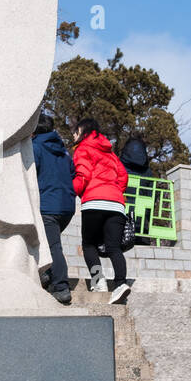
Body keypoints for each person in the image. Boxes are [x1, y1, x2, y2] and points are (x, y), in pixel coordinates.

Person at [72, 117, 131, 305]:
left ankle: (99, 283)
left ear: (82, 130)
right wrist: (113, 192)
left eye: (75, 131)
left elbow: (84, 175)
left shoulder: (82, 149)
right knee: (114, 247)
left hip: (94, 202)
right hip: (116, 204)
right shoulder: (111, 153)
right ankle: (121, 284)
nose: (73, 135)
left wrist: (71, 189)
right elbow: (123, 176)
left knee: (89, 245)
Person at [32, 112, 76, 306]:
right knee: (50, 242)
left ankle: (61, 287)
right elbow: (73, 172)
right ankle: (48, 275)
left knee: (53, 246)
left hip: (48, 204)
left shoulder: (35, 147)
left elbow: (29, 173)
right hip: (67, 206)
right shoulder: (63, 150)